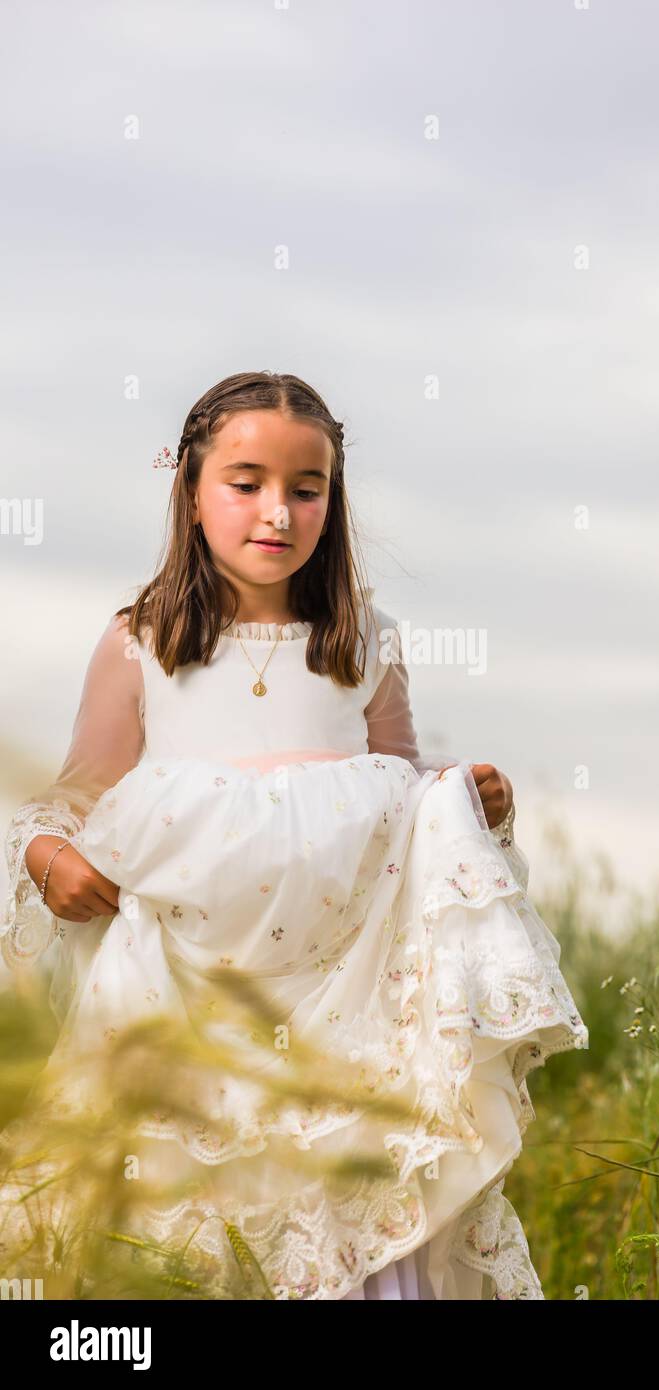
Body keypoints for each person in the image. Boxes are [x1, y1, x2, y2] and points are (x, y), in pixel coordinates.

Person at [1, 370, 588, 1300]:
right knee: (188, 1210)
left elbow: (400, 792)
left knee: (343, 1192)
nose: (277, 512)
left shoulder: (364, 643)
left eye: (305, 489)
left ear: (332, 502)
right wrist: (47, 858)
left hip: (346, 1010)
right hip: (183, 996)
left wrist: (469, 802)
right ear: (192, 492)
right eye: (246, 483)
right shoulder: (141, 642)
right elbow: (66, 803)